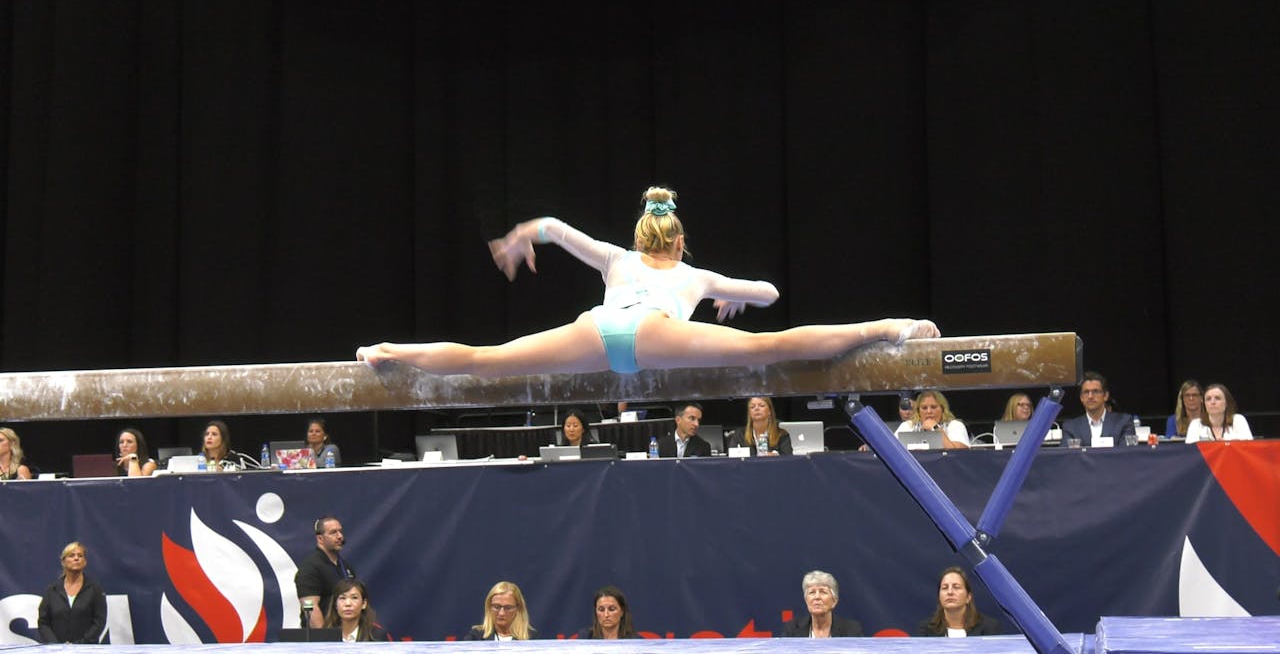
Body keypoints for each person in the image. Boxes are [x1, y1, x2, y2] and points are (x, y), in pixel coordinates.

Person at [357, 186, 939, 377]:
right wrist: (730, 294)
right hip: (655, 333)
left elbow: (553, 228)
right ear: (680, 242)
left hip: (598, 328)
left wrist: (518, 236)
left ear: (639, 240)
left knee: (484, 361)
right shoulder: (696, 275)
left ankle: (387, 351)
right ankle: (888, 326)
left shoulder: (615, 258)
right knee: (769, 347)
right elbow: (770, 295)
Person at [37, 542, 108, 644]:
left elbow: (99, 622)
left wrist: (79, 645)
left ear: (85, 562)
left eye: (80, 556)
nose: (76, 558)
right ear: (63, 562)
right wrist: (56, 645)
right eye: (71, 555)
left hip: (86, 649)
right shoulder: (52, 590)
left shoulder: (94, 590)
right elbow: (43, 623)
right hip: (57, 650)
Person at [295, 516, 357, 628]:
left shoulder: (345, 567)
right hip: (323, 635)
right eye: (333, 532)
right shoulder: (310, 568)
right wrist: (324, 636)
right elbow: (310, 607)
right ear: (320, 539)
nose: (340, 536)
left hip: (345, 633)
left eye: (340, 531)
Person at [917, 566, 1001, 637]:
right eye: (945, 588)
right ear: (939, 597)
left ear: (968, 597)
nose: (950, 592)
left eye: (956, 587)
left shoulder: (989, 628)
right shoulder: (927, 630)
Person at [1059, 372, 1137, 446]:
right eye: (1086, 392)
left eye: (1095, 391)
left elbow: (1128, 453)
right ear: (1081, 398)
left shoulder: (1124, 422)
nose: (1090, 396)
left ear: (1105, 396)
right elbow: (1067, 455)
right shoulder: (1071, 427)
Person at [781, 570, 864, 638]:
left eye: (823, 592)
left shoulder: (851, 630)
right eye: (812, 592)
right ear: (806, 600)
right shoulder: (792, 630)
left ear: (834, 601)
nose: (817, 597)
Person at [462, 581, 537, 641]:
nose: (501, 613)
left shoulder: (532, 639)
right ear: (489, 607)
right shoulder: (475, 637)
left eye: (508, 608)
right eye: (496, 607)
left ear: (518, 609)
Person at [895, 390, 970, 449]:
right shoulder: (907, 426)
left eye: (933, 407)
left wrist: (935, 428)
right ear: (918, 411)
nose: (929, 411)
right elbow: (892, 451)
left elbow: (956, 453)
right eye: (924, 408)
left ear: (943, 409)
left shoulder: (955, 425)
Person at [323, 579, 391, 642]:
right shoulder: (324, 636)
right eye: (342, 598)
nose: (348, 604)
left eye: (354, 598)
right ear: (335, 604)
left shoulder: (377, 635)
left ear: (364, 604)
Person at [1184, 383, 1253, 443]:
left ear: (1227, 403)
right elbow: (1190, 451)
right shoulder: (1196, 424)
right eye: (1208, 399)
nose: (1212, 402)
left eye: (1217, 398)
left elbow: (1249, 446)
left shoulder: (1238, 420)